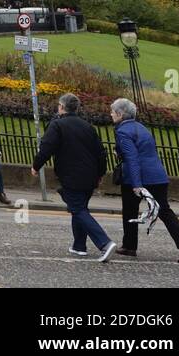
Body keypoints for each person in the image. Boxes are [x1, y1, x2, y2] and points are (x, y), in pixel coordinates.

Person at [111, 98, 179, 266]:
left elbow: (132, 158)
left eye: (113, 112)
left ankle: (129, 246)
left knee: (129, 210)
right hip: (158, 176)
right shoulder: (142, 128)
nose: (111, 114)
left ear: (120, 114)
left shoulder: (122, 131)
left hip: (136, 178)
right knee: (165, 211)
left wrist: (137, 184)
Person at [32, 93, 115, 261]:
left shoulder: (57, 125)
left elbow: (46, 147)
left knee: (77, 209)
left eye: (59, 106)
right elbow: (101, 153)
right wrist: (100, 173)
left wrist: (36, 166)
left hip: (71, 176)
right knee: (80, 209)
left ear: (62, 107)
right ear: (76, 108)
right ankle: (79, 246)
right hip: (90, 176)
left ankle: (104, 243)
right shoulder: (88, 126)